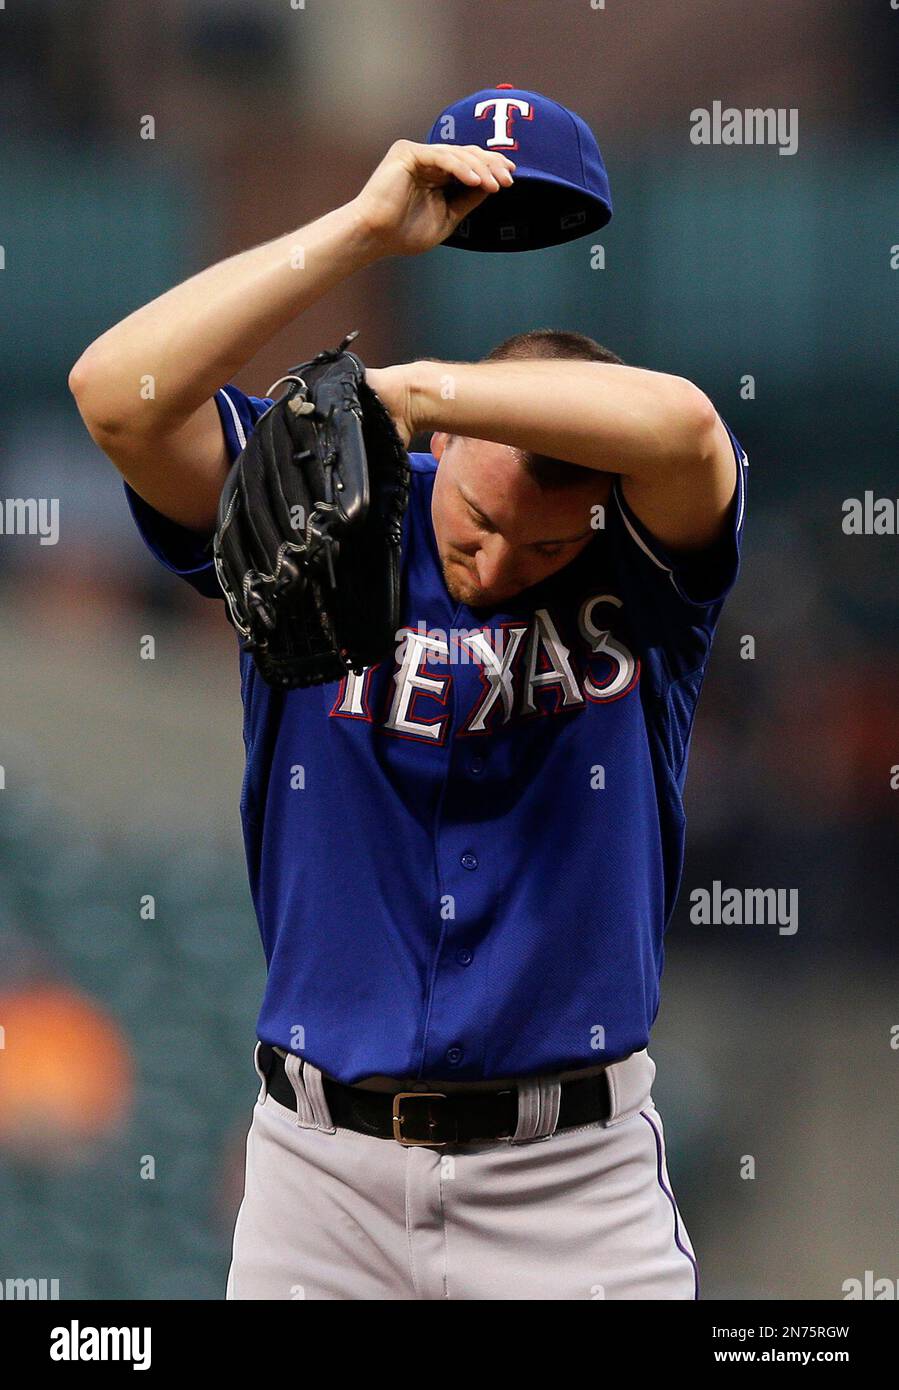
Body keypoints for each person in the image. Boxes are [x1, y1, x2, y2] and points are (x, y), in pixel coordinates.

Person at [70, 138, 747, 1300]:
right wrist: (359, 233)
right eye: (478, 520)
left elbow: (684, 429)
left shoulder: (645, 573)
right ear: (439, 456)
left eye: (542, 543)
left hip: (569, 1182)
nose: (494, 563)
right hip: (321, 1176)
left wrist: (416, 384)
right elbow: (114, 397)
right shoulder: (333, 511)